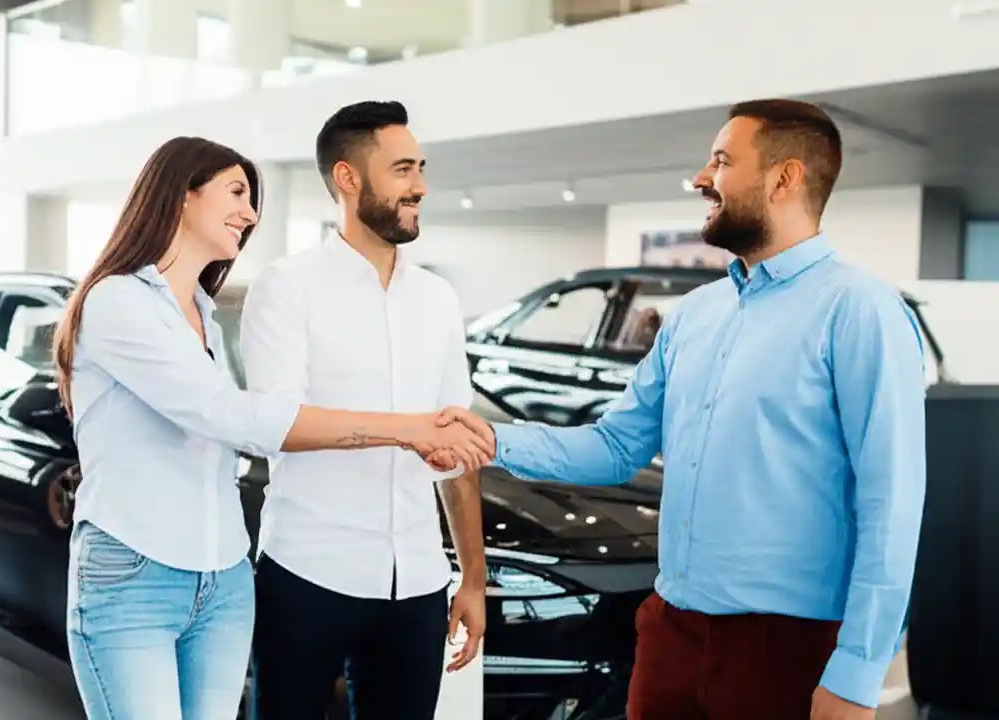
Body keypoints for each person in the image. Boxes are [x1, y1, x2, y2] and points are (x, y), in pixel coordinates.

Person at [437, 99, 927, 720]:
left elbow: (892, 501)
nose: (701, 178)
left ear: (785, 177)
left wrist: (857, 672)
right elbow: (616, 447)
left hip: (789, 644)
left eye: (722, 161)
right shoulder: (697, 314)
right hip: (673, 632)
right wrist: (488, 438)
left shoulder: (861, 310)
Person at [50, 135, 493, 720]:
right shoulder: (117, 301)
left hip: (223, 579)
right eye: (236, 193)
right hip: (134, 571)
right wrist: (406, 429)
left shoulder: (202, 314)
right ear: (182, 195)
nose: (251, 213)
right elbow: (227, 415)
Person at [240, 100, 487, 720]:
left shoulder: (438, 298)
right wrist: (408, 431)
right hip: (307, 573)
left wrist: (473, 578)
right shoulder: (286, 286)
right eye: (403, 169)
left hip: (419, 582)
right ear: (348, 178)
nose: (420, 186)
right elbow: (278, 425)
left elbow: (455, 447)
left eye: (421, 169)